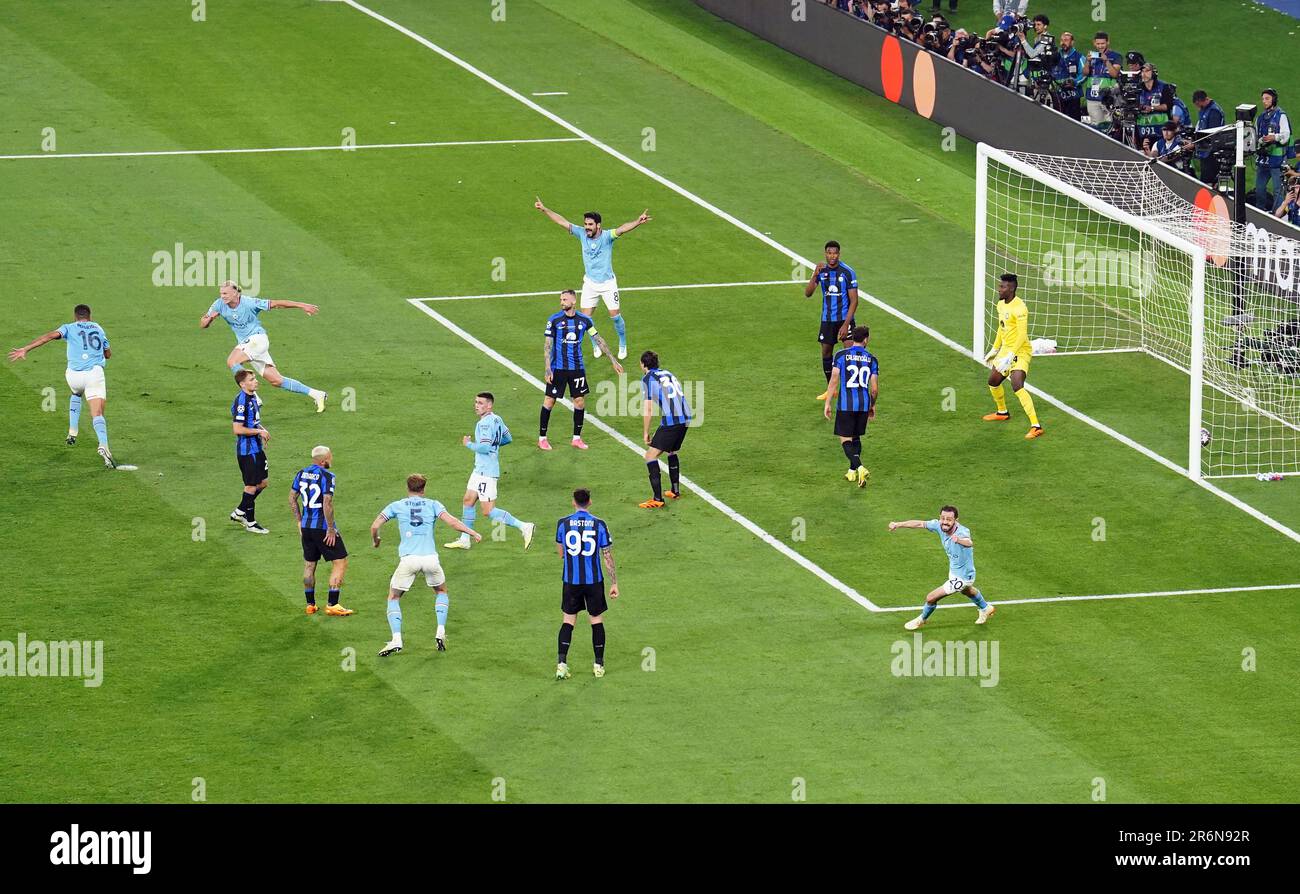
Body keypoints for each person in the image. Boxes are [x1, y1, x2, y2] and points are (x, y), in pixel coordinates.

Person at [372, 474, 481, 656]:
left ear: (407, 488)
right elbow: (453, 522)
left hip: (408, 560)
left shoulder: (396, 505)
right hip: (430, 559)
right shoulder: (433, 504)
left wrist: (376, 540)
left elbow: (374, 526)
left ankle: (396, 638)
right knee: (441, 591)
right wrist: (472, 532)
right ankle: (440, 630)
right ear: (423, 489)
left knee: (393, 597)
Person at [533, 199, 652, 361]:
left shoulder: (607, 236)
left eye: (590, 224)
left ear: (598, 226)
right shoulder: (581, 233)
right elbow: (562, 222)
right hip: (590, 284)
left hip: (608, 284)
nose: (587, 227)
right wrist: (544, 209)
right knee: (585, 319)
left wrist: (638, 221)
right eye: (586, 224)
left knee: (615, 316)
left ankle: (622, 344)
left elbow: (622, 229)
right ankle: (596, 345)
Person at [8, 304, 116, 467]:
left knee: (76, 393)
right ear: (90, 316)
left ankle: (73, 432)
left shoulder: (68, 327)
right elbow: (108, 354)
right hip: (93, 375)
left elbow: (49, 336)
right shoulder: (98, 328)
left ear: (75, 316)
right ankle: (104, 446)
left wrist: (26, 349)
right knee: (97, 413)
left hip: (73, 376)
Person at [200, 281, 327, 412]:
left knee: (232, 361)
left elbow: (276, 303)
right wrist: (209, 319)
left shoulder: (249, 303)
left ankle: (253, 397)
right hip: (248, 345)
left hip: (257, 339)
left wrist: (301, 305)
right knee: (276, 380)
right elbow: (202, 324)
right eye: (221, 293)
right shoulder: (218, 304)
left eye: (225, 293)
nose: (223, 296)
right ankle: (317, 394)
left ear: (235, 293)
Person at [445, 392, 536, 550]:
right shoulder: (497, 418)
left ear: (489, 405)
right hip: (479, 471)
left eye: (480, 403)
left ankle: (524, 526)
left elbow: (485, 447)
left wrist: (469, 444)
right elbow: (508, 438)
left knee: (488, 511)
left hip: (486, 473)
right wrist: (495, 445)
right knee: (468, 500)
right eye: (476, 402)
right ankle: (465, 539)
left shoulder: (484, 424)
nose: (476, 405)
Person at [539, 289, 623, 451]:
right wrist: (548, 368)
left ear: (573, 301)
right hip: (559, 368)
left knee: (579, 401)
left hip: (577, 368)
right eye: (561, 299)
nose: (562, 302)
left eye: (564, 299)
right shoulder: (554, 320)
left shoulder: (585, 320)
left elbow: (598, 339)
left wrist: (613, 360)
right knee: (550, 401)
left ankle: (576, 438)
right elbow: (547, 345)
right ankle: (542, 438)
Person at [888, 506, 996, 629]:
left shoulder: (962, 532)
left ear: (956, 520)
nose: (945, 522)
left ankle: (921, 619)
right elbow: (919, 524)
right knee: (967, 591)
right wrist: (898, 524)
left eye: (949, 519)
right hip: (954, 571)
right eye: (943, 518)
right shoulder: (938, 525)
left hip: (964, 577)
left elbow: (969, 542)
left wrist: (959, 540)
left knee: (931, 597)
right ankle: (986, 608)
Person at [554, 489, 619, 680]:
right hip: (594, 582)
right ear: (589, 502)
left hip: (571, 581)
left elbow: (561, 554)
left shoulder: (563, 524)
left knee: (568, 621)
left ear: (573, 502)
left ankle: (561, 665)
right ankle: (598, 665)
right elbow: (607, 556)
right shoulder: (599, 524)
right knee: (596, 621)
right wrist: (614, 582)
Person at [290, 446, 353, 616]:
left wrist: (299, 521)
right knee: (340, 561)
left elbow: (291, 498)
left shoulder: (301, 473)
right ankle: (333, 603)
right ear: (323, 460)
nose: (331, 460)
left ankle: (310, 604)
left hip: (306, 526)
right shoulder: (327, 476)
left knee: (310, 564)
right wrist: (331, 529)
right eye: (330, 457)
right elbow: (327, 503)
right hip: (322, 528)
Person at [982, 273, 1043, 440]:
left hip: (1021, 351)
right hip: (1006, 351)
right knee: (993, 382)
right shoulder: (1001, 305)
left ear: (1011, 288)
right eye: (1000, 286)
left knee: (1017, 385)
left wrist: (1011, 355)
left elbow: (1022, 335)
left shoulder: (1020, 308)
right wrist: (995, 350)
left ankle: (1036, 426)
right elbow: (1002, 328)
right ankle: (1002, 412)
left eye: (1002, 287)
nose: (999, 289)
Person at [822, 326, 879, 488]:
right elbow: (874, 389)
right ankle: (852, 471)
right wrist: (872, 405)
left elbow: (834, 380)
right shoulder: (872, 359)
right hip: (862, 405)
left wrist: (827, 403)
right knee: (856, 437)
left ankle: (860, 467)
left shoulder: (841, 355)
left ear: (853, 338)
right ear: (866, 339)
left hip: (846, 405)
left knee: (845, 439)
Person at [804, 240, 860, 400]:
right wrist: (815, 273)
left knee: (850, 354)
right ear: (825, 254)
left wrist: (846, 324)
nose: (832, 256)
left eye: (835, 253)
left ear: (839, 254)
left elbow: (854, 301)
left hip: (845, 319)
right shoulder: (821, 271)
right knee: (826, 352)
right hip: (827, 320)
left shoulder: (848, 272)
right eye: (829, 253)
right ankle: (831, 389)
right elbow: (808, 293)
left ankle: (851, 391)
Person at [638, 351, 692, 509]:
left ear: (644, 365)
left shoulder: (648, 378)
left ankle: (657, 499)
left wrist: (646, 432)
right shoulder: (668, 373)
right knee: (671, 451)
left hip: (672, 421)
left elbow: (648, 409)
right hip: (686, 417)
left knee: (650, 456)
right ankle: (675, 490)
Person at [230, 370, 270, 534]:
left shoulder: (253, 397)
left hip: (257, 448)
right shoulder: (242, 401)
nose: (256, 381)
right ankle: (251, 522)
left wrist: (262, 429)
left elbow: (252, 422)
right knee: (251, 486)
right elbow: (237, 429)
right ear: (243, 384)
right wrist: (258, 432)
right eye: (252, 380)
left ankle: (240, 511)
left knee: (263, 483)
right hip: (247, 451)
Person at [1255, 89, 1294, 211]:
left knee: (1278, 190)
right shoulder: (1260, 118)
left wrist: (1274, 137)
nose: (1264, 101)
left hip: (1277, 160)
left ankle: (1278, 216)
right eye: (1263, 99)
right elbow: (1256, 136)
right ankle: (1260, 211)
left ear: (1274, 100)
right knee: (1259, 188)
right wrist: (1262, 141)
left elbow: (1286, 135)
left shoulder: (1281, 115)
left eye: (1267, 98)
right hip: (1264, 159)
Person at [1081, 32, 1121, 132]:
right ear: (1094, 43)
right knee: (1096, 127)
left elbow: (1115, 74)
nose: (1100, 46)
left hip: (1108, 99)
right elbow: (1085, 73)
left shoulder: (1116, 56)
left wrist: (1106, 61)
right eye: (1098, 44)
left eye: (1102, 43)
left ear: (1108, 42)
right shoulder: (1092, 56)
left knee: (1110, 127)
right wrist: (1087, 61)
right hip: (1092, 98)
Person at [1135, 63, 1174, 150]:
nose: (1143, 74)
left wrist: (1152, 108)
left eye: (1147, 71)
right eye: (1142, 71)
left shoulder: (1164, 87)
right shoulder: (1138, 89)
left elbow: (1167, 106)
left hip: (1161, 131)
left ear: (1154, 73)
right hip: (1143, 130)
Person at [1192, 90, 1226, 185]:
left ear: (1202, 100)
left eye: (1198, 104)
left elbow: (1212, 134)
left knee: (1208, 180)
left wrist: (1196, 142)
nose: (1198, 107)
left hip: (1211, 152)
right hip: (1205, 149)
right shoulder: (1205, 109)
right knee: (1204, 178)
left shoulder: (1214, 111)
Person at [1052, 31, 1085, 120]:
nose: (1063, 43)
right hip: (1058, 95)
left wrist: (1074, 82)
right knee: (1057, 120)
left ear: (1072, 42)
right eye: (1062, 40)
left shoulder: (1079, 57)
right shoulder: (1055, 56)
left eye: (1066, 40)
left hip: (1073, 95)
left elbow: (1084, 74)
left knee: (1073, 122)